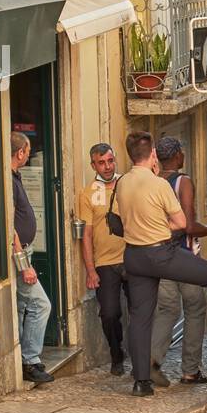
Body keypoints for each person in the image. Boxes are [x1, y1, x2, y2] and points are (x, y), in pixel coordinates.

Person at [116, 130, 207, 397]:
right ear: (153, 155)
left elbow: (116, 221)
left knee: (141, 318)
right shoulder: (158, 184)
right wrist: (159, 226)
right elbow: (182, 224)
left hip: (134, 256)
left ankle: (141, 383)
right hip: (161, 253)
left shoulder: (122, 182)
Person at [149, 137, 207, 387]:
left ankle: (152, 362)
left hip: (160, 256)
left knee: (166, 310)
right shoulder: (183, 182)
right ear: (177, 156)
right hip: (184, 256)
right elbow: (189, 225)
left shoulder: (153, 182)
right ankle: (190, 371)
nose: (184, 155)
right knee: (195, 309)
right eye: (182, 151)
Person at [76, 142, 129, 376]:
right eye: (101, 162)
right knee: (109, 313)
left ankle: (141, 355)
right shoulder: (87, 194)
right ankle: (116, 353)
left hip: (132, 257)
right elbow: (85, 234)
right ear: (93, 165)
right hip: (104, 264)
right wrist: (90, 270)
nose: (107, 166)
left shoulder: (127, 184)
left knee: (141, 309)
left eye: (110, 161)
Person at [10, 132, 53, 384]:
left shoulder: (14, 177)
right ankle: (31, 360)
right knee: (40, 304)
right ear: (21, 153)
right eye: (27, 151)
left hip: (24, 251)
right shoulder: (9, 178)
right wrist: (24, 264)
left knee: (22, 307)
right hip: (20, 254)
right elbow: (10, 225)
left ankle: (23, 359)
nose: (28, 154)